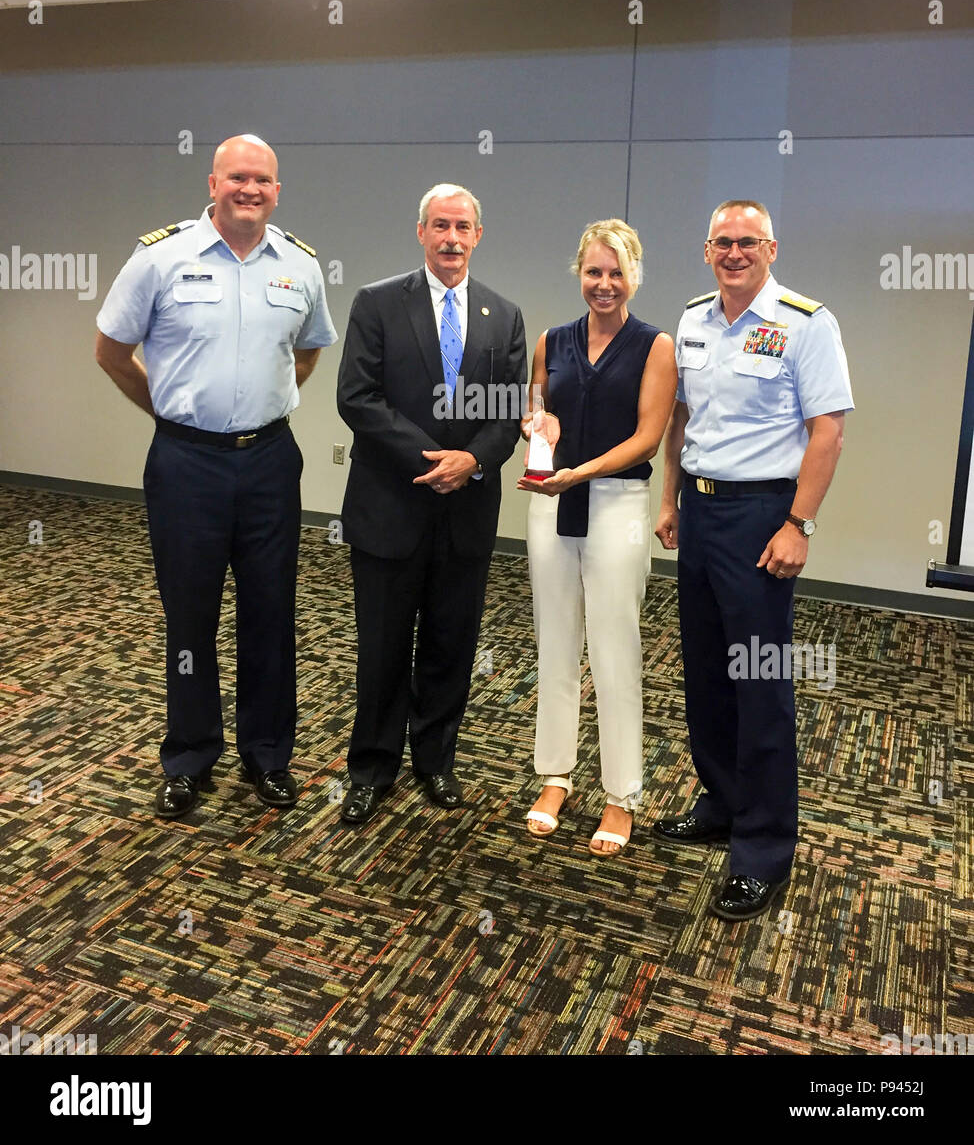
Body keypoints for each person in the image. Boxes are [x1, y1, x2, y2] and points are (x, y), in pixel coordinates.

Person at [95, 135, 337, 819]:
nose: (249, 189)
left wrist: (265, 406)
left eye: (262, 179)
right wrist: (168, 411)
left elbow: (310, 350)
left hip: (268, 461)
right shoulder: (160, 257)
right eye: (237, 177)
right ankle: (190, 756)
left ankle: (268, 756)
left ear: (277, 190)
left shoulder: (300, 264)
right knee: (190, 617)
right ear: (213, 182)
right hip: (185, 464)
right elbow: (110, 350)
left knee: (270, 614)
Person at [653, 200, 853, 920]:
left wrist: (800, 522)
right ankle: (722, 804)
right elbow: (682, 421)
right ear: (707, 251)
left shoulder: (806, 323)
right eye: (722, 243)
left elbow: (827, 432)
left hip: (764, 516)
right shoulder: (694, 319)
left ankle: (764, 848)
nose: (734, 253)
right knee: (707, 670)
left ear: (771, 248)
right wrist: (672, 500)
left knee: (760, 682)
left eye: (748, 242)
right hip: (702, 512)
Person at [336, 184, 526, 825]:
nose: (451, 238)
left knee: (452, 643)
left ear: (478, 235)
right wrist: (433, 460)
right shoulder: (378, 302)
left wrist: (470, 461)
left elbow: (508, 413)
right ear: (421, 232)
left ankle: (436, 760)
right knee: (383, 645)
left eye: (463, 227)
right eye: (440, 225)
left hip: (466, 512)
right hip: (391, 508)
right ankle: (371, 766)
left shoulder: (504, 315)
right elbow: (357, 398)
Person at [517, 220, 677, 855]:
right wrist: (538, 421)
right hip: (548, 504)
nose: (604, 284)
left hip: (617, 504)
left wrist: (579, 472)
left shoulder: (654, 345)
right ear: (578, 273)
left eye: (616, 272)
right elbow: (535, 408)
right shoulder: (550, 339)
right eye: (593, 272)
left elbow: (647, 437)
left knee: (614, 649)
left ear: (633, 275)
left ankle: (621, 794)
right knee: (554, 642)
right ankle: (554, 776)